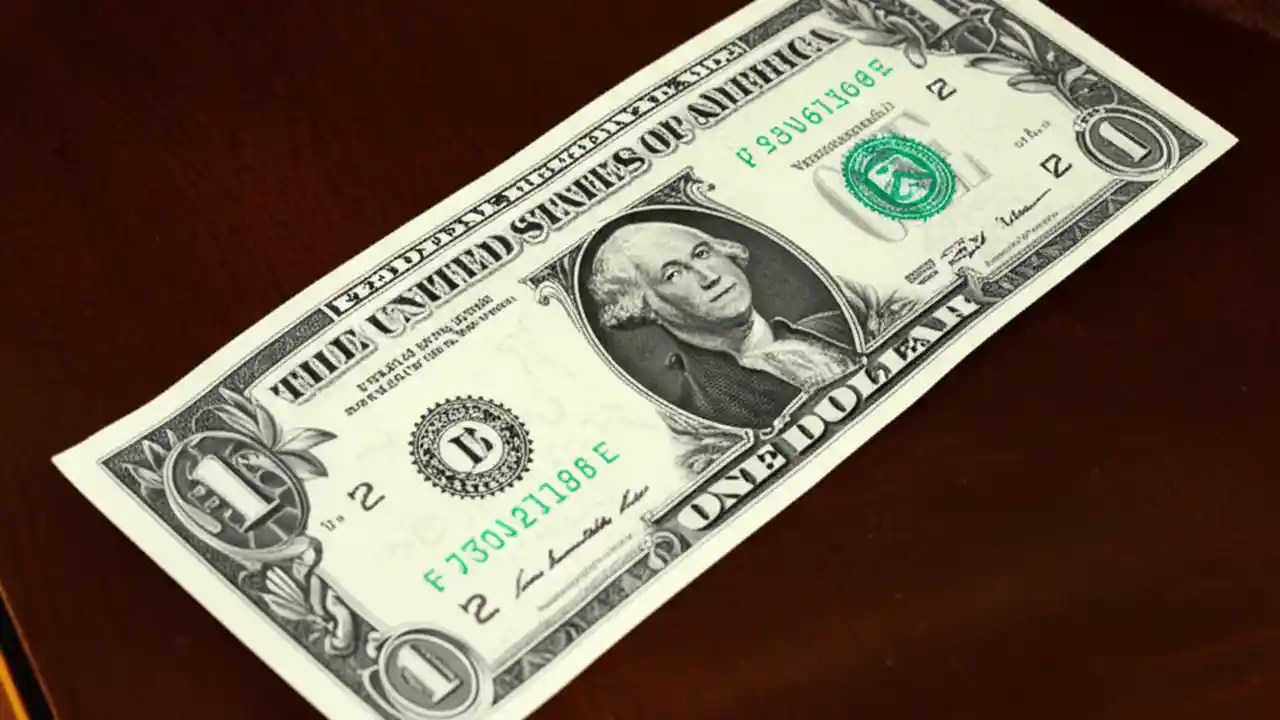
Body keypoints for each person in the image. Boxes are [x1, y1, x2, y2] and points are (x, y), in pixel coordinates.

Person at [589, 220, 893, 428]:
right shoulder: (705, 414)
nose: (709, 277)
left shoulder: (844, 322)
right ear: (644, 307)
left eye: (702, 254)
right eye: (673, 275)